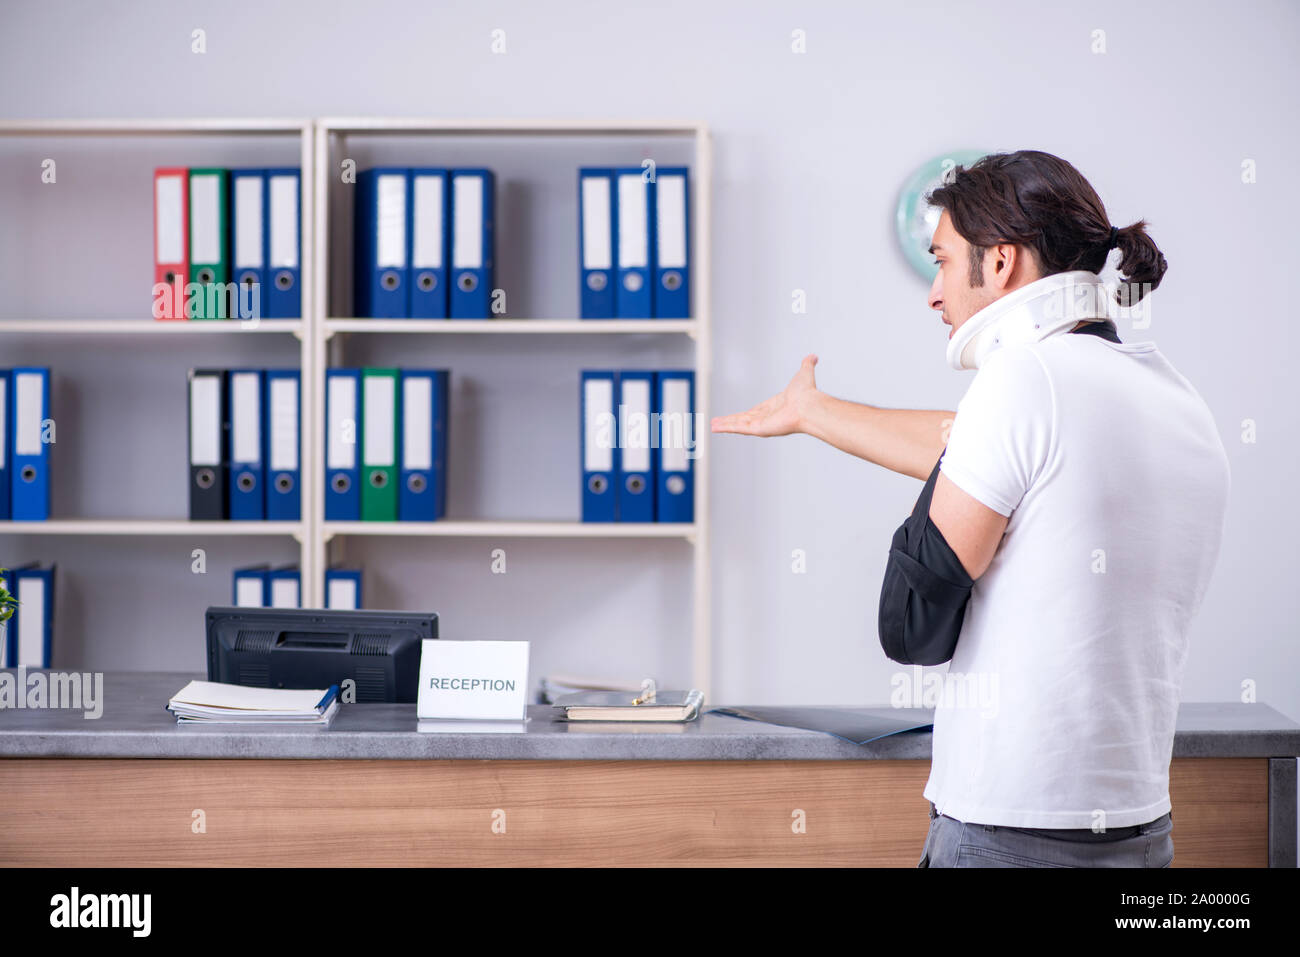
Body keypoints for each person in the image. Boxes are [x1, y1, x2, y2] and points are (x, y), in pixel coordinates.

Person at [712, 150, 1231, 867]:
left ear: (1001, 264)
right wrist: (815, 412)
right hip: (1140, 826)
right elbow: (1012, 458)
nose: (933, 293)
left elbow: (911, 627)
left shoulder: (1019, 379)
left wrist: (911, 450)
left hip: (1008, 830)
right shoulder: (1171, 395)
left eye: (943, 261)